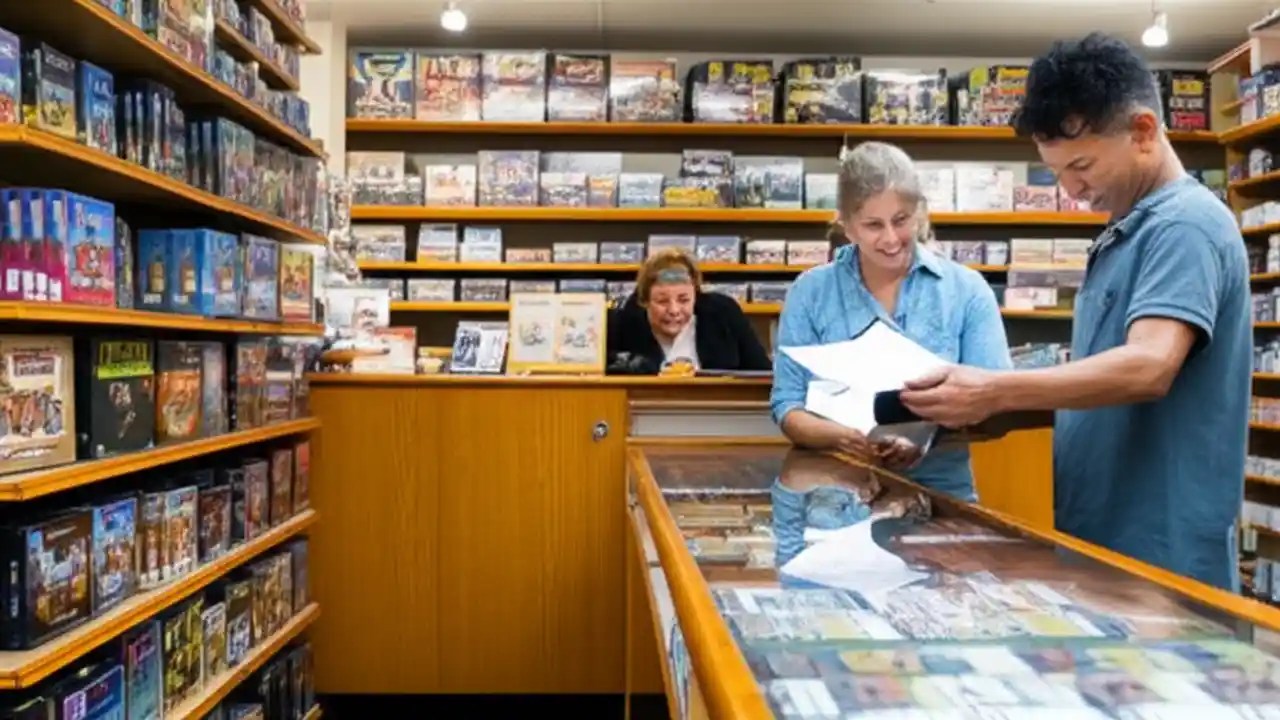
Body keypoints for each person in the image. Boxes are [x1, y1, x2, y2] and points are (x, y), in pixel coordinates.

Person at [899, 33, 1250, 591]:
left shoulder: (1184, 224)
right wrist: (953, 416)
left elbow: (1148, 366)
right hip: (1101, 532)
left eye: (1080, 166)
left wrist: (994, 389)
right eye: (1057, 171)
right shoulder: (1126, 232)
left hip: (1160, 548)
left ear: (1143, 132)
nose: (1070, 189)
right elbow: (1092, 393)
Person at [770, 141, 1013, 501]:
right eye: (872, 225)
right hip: (835, 503)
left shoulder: (966, 290)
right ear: (847, 226)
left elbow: (997, 404)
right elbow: (787, 405)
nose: (890, 239)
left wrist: (926, 434)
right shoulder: (810, 292)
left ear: (919, 213)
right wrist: (845, 438)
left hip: (942, 501)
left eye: (901, 220)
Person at [606, 247, 771, 373]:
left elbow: (763, 374)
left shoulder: (724, 314)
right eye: (662, 301)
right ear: (645, 300)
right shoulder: (622, 325)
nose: (674, 310)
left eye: (683, 300)